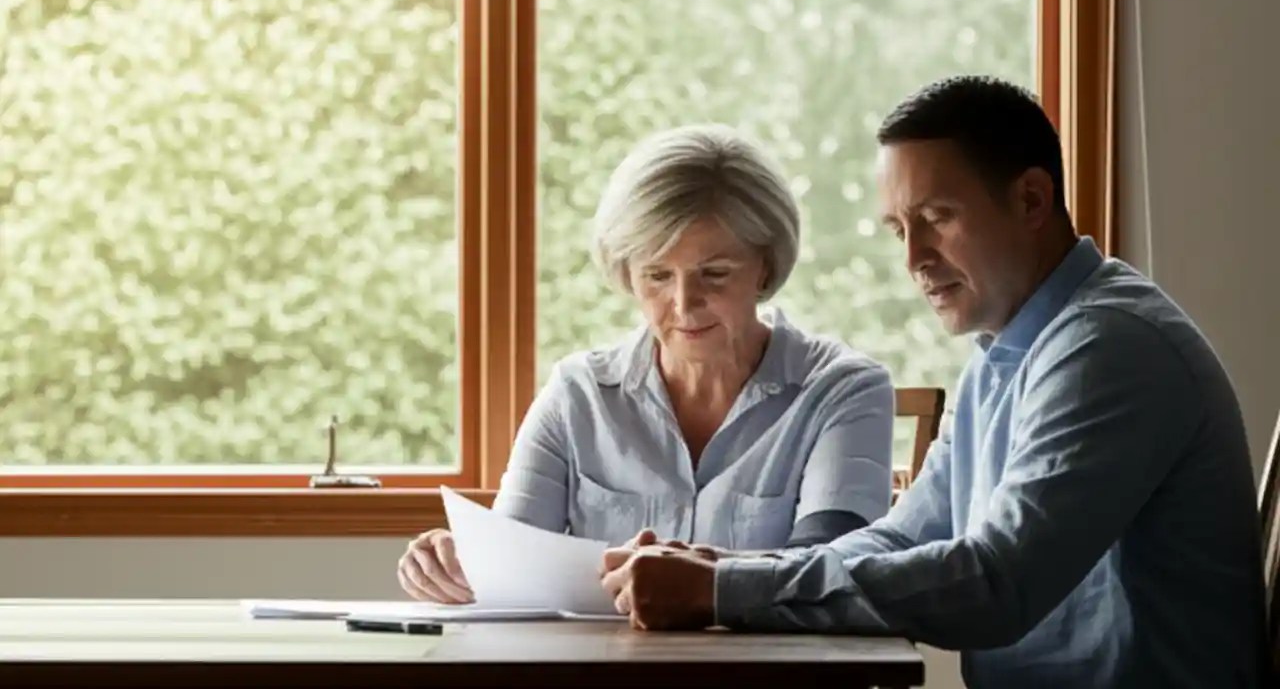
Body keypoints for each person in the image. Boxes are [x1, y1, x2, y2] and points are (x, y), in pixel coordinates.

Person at [600, 76, 1270, 688]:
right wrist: (724, 572)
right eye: (899, 230)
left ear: (1031, 199)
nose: (914, 259)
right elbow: (903, 537)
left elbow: (997, 582)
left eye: (937, 218)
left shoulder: (1108, 346)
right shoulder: (1005, 354)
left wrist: (721, 593)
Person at [397, 123, 896, 606]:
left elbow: (832, 571)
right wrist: (459, 563)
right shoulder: (578, 395)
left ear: (764, 266)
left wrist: (698, 581)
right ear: (627, 274)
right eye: (657, 276)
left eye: (714, 274)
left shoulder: (843, 389)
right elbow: (513, 563)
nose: (684, 303)